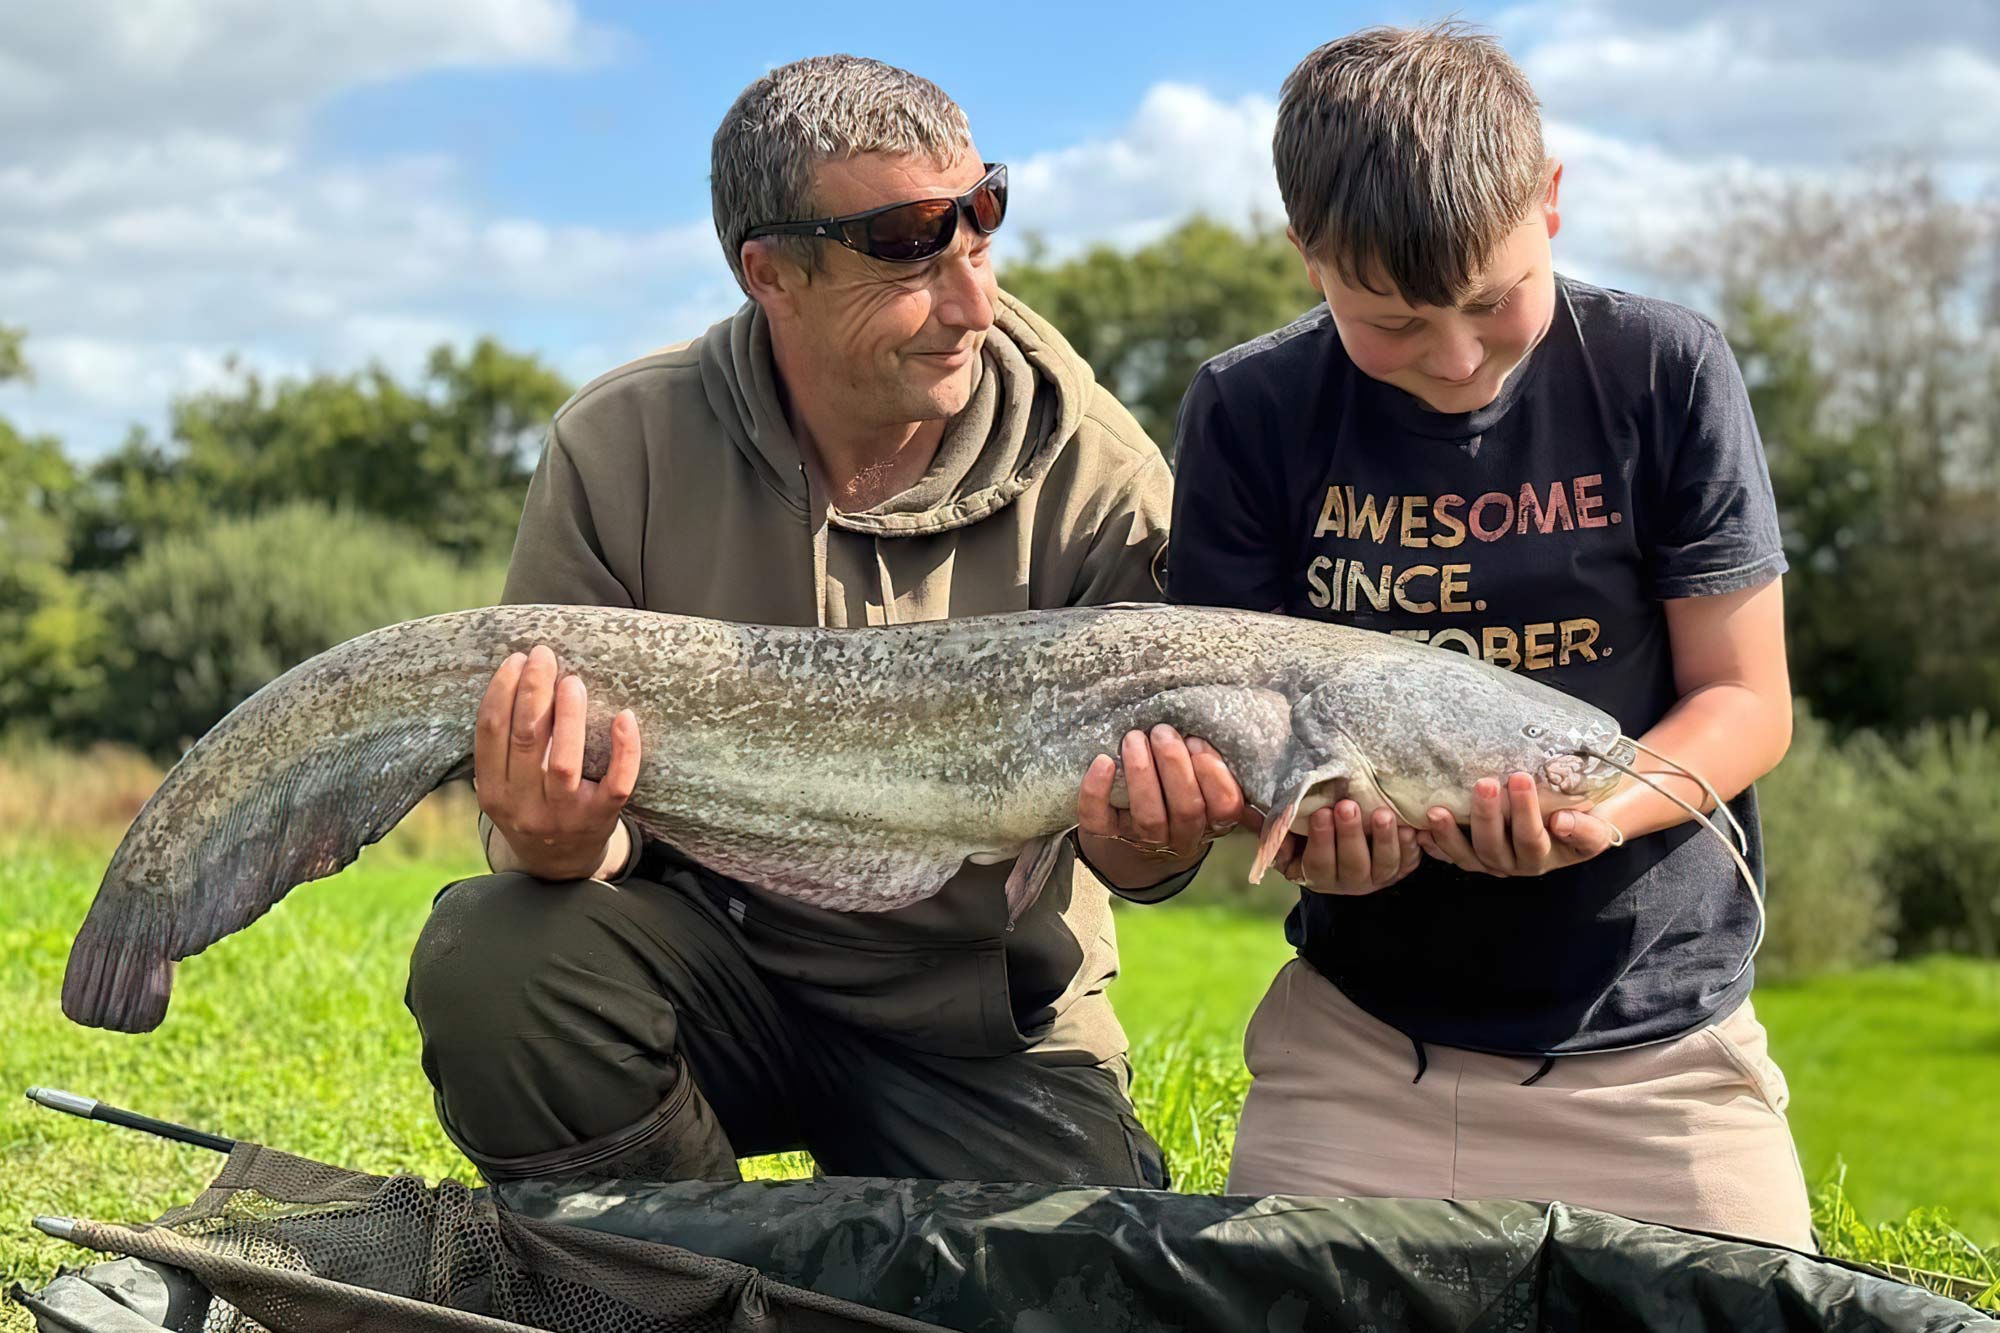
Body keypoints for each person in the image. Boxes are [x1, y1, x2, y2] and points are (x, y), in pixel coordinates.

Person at [404, 54, 1244, 1193]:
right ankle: (675, 1291)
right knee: (497, 954)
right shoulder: (617, 448)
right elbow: (573, 836)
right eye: (906, 253)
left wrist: (1156, 834)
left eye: (980, 235)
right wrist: (558, 840)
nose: (971, 305)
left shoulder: (1099, 470)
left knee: (1088, 1287)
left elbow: (1139, 863)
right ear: (770, 273)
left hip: (987, 1024)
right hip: (712, 981)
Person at [1165, 23, 1812, 1249]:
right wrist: (1299, 838)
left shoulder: (1662, 371)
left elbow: (1743, 700)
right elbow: (1232, 727)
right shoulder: (1248, 409)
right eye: (1391, 322)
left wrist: (1593, 817)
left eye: (1488, 300)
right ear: (1305, 254)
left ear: (1549, 202)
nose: (1453, 357)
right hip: (1359, 1047)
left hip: (1658, 1055)